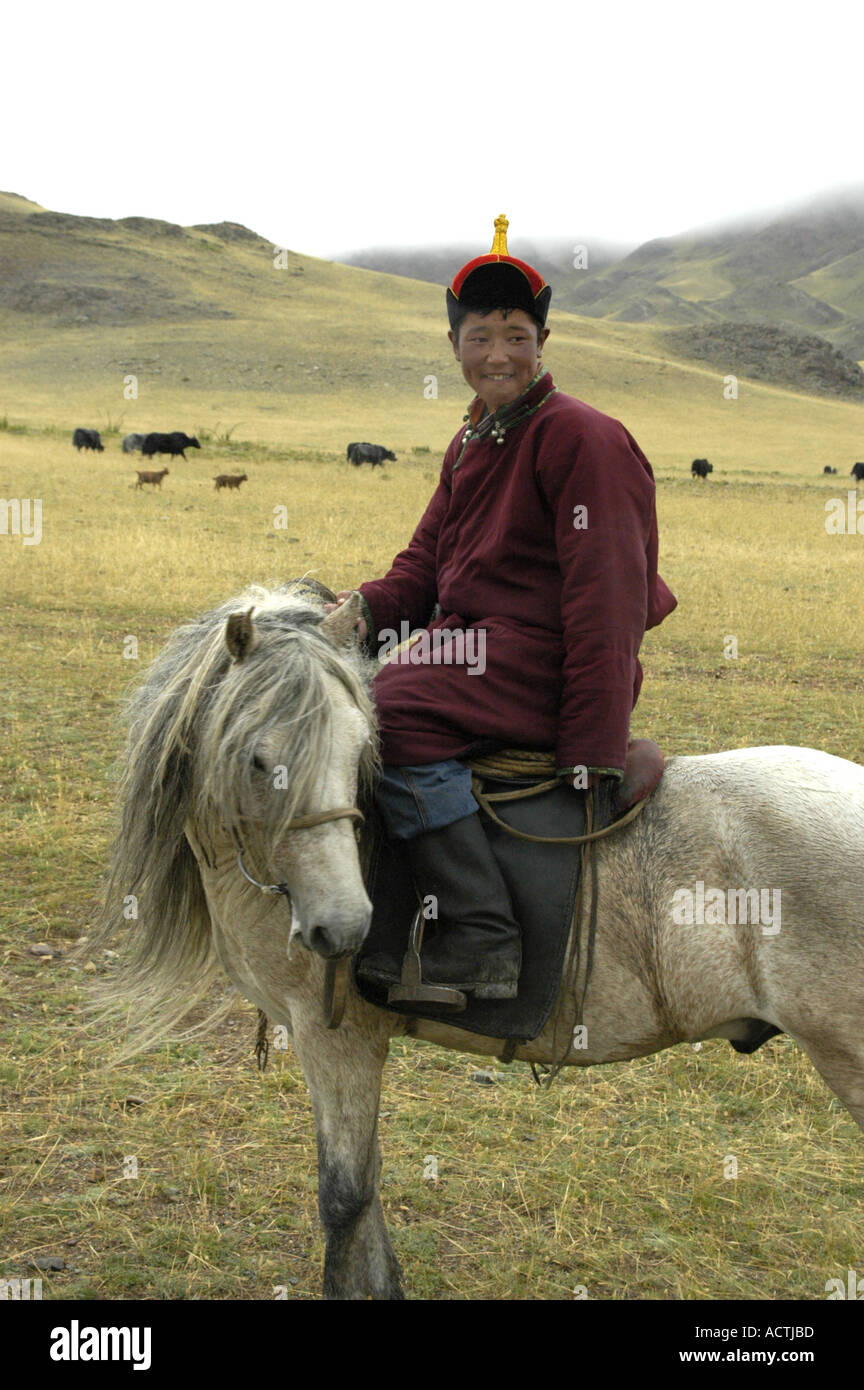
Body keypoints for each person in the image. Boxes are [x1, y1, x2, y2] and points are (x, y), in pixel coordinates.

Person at [324, 214, 677, 1002]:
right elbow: (421, 568)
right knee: (352, 687)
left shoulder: (580, 437)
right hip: (471, 650)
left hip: (543, 659)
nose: (498, 354)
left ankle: (481, 930)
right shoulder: (471, 442)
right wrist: (356, 614)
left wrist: (595, 738)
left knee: (388, 710)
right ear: (454, 349)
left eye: (516, 335)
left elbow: (609, 598)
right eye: (480, 337)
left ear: (543, 340)